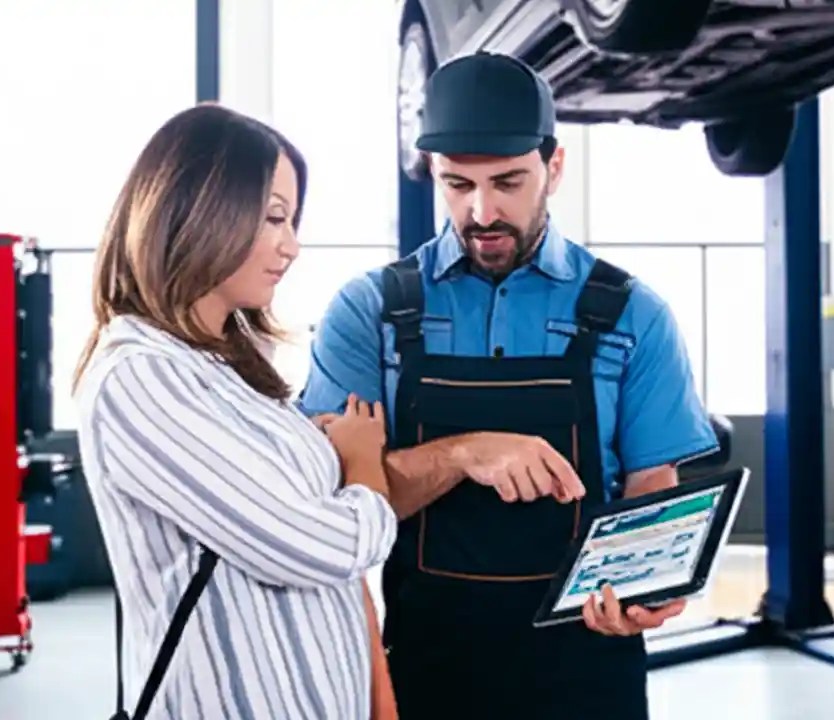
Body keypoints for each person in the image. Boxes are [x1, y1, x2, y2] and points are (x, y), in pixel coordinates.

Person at [299, 52, 719, 720]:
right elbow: (337, 506)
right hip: (427, 671)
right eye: (456, 183)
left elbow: (649, 483)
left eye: (508, 182)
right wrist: (464, 453)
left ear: (553, 167)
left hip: (588, 672)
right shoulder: (368, 314)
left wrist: (649, 584)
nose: (482, 210)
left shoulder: (632, 315)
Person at [72, 103, 400, 720]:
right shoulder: (140, 376)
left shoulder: (225, 364)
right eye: (274, 217)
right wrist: (363, 468)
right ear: (199, 213)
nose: (292, 245)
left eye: (293, 219)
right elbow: (314, 545)